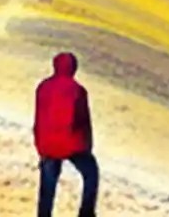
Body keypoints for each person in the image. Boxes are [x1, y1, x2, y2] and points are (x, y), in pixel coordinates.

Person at [34, 52, 98, 217]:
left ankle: (43, 214)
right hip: (72, 144)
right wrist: (87, 146)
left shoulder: (43, 87)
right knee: (91, 173)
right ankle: (86, 212)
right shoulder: (78, 90)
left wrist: (40, 146)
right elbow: (83, 121)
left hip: (48, 145)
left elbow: (39, 119)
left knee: (47, 184)